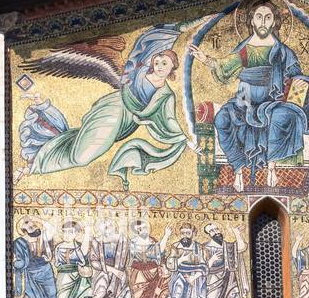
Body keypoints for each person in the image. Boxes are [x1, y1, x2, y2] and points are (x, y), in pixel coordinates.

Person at [20, 27, 197, 189]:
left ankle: (42, 152)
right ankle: (37, 165)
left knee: (80, 147)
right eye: (157, 62)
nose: (159, 66)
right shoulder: (138, 74)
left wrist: (185, 139)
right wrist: (180, 27)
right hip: (113, 110)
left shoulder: (166, 95)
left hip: (127, 124)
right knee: (82, 157)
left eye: (164, 63)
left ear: (173, 67)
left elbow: (169, 121)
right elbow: (153, 41)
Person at [189, 1, 309, 192]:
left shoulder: (283, 51)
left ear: (274, 22)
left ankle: (271, 167)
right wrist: (206, 59)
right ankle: (239, 168)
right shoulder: (245, 49)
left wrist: (302, 82)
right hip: (245, 99)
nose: (263, 22)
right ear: (252, 21)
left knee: (282, 116)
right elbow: (225, 67)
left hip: (274, 100)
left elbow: (296, 74)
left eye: (268, 17)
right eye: (259, 17)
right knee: (222, 119)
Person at [11, 217, 64, 298]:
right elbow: (20, 261)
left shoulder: (42, 237)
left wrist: (35, 218)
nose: (32, 225)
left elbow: (51, 228)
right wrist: (15, 263)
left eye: (33, 224)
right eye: (27, 224)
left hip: (46, 273)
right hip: (32, 274)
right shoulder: (19, 242)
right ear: (22, 229)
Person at [156, 223, 208, 298]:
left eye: (188, 233)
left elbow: (204, 265)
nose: (185, 235)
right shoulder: (175, 246)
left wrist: (193, 277)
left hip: (195, 278)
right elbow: (170, 263)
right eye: (183, 233)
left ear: (193, 234)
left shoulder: (198, 247)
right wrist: (181, 259)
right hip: (178, 276)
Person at [200, 222, 249, 298]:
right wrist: (211, 260)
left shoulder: (228, 246)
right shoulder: (204, 247)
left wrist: (237, 233)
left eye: (216, 229)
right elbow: (200, 267)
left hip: (229, 278)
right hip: (212, 281)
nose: (216, 232)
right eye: (211, 231)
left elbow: (242, 248)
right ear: (208, 234)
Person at [126, 219, 171, 298]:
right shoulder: (133, 243)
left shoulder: (153, 241)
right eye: (139, 229)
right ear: (136, 231)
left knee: (157, 296)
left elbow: (161, 254)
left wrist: (166, 236)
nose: (143, 230)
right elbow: (133, 258)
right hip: (139, 273)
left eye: (145, 228)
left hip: (154, 273)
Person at [88, 218, 130, 298]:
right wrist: (112, 270)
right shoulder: (97, 241)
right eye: (106, 226)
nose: (109, 228)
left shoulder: (121, 240)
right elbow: (94, 261)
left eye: (111, 225)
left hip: (118, 273)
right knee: (99, 297)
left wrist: (118, 272)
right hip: (102, 272)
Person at [53, 220, 92, 298]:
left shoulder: (79, 246)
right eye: (64, 232)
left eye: (70, 232)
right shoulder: (58, 247)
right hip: (63, 278)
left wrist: (87, 233)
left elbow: (83, 253)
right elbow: (57, 264)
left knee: (87, 294)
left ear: (76, 234)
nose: (67, 235)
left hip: (79, 276)